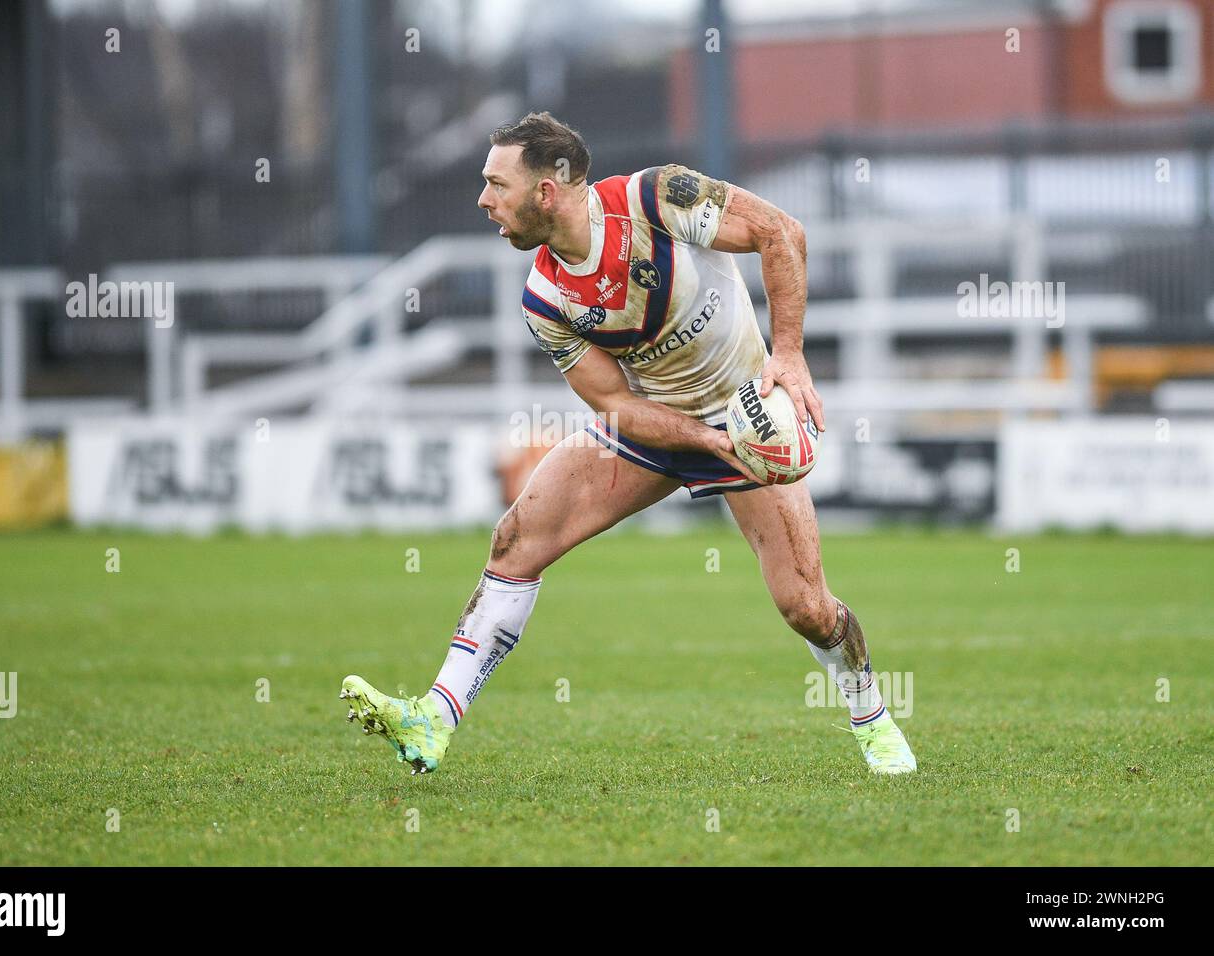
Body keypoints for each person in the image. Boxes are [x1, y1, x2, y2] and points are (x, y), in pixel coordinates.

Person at [340, 112, 916, 776]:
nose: (484, 200)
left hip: (745, 412)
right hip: (656, 426)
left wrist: (787, 354)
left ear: (547, 191)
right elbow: (615, 405)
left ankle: (874, 720)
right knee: (517, 538)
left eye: (496, 184)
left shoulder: (656, 199)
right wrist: (704, 439)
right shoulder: (545, 297)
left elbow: (779, 231)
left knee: (806, 607)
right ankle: (433, 720)